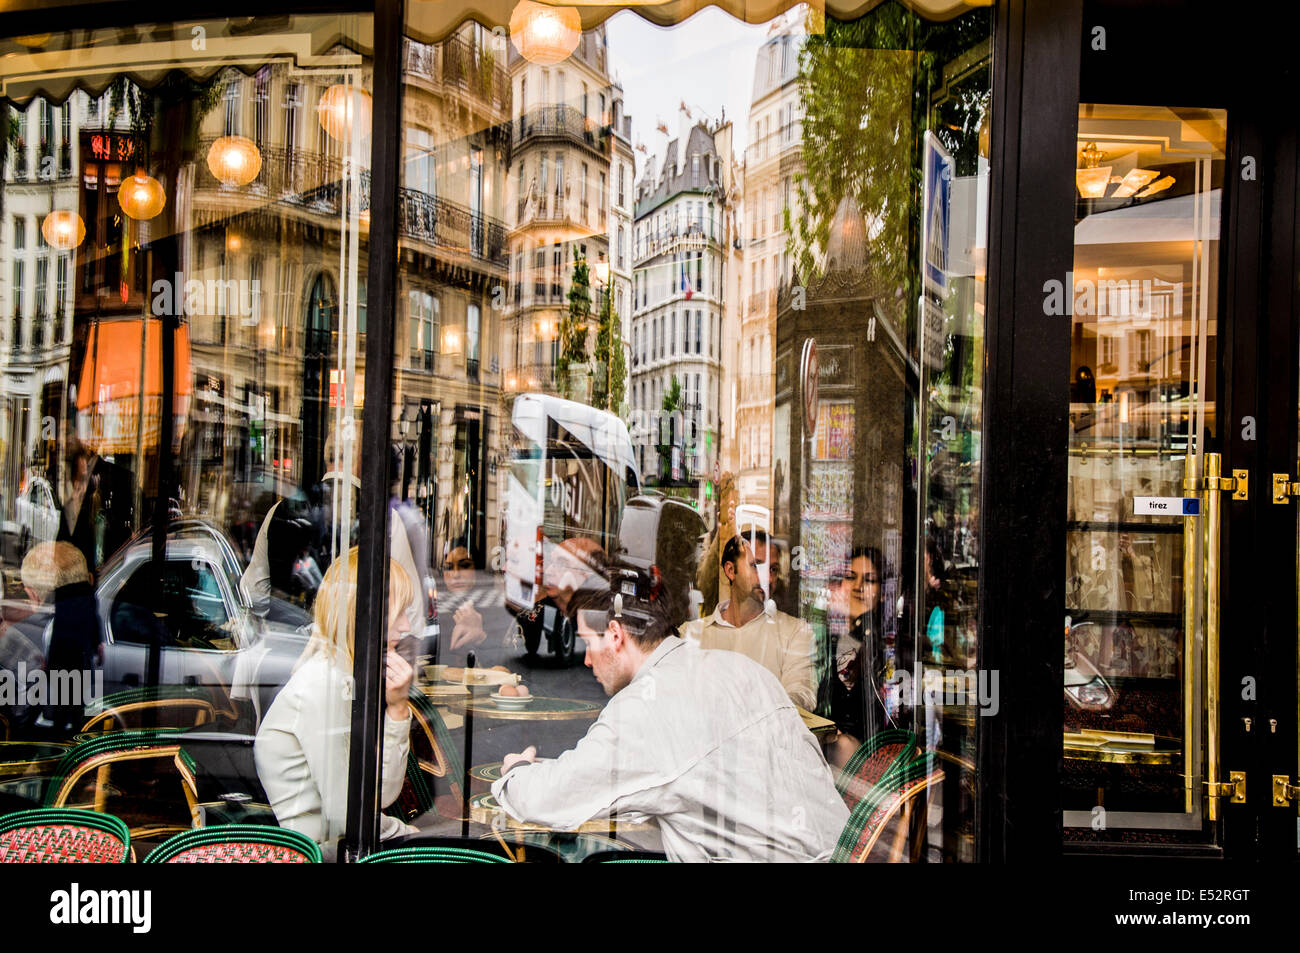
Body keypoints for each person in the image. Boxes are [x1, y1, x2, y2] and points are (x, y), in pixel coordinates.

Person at [491, 571, 849, 862]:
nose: (587, 660)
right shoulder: (741, 668)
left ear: (615, 635)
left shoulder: (645, 707)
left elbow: (551, 798)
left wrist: (518, 773)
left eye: (589, 643)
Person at [254, 548, 416, 860]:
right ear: (363, 614)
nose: (406, 626)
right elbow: (351, 815)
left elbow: (376, 797)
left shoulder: (340, 672)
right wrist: (410, 834)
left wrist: (397, 708)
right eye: (398, 612)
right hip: (319, 853)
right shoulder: (323, 685)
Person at [680, 530, 816, 709]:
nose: (767, 577)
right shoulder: (689, 635)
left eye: (773, 569)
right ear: (730, 570)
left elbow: (801, 695)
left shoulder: (795, 632)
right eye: (757, 565)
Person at [19, 542, 104, 736]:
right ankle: (69, 738)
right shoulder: (83, 597)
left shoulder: (66, 600)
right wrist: (97, 644)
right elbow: (89, 621)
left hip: (68, 661)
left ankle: (63, 739)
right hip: (75, 662)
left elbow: (59, 635)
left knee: (65, 711)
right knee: (73, 711)